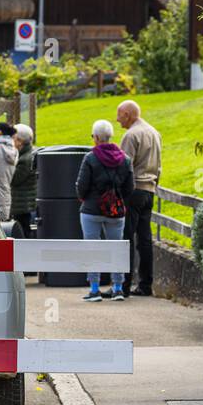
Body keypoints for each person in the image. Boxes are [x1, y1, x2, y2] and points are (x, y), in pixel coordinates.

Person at [76, 119, 134, 302]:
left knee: (92, 249)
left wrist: (84, 198)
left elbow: (82, 186)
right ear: (109, 137)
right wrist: (117, 199)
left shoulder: (90, 158)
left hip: (91, 211)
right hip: (116, 212)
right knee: (116, 248)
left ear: (96, 138)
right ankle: (117, 288)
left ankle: (94, 289)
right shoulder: (125, 159)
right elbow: (129, 188)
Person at [116, 99, 161, 298]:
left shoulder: (131, 135)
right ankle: (145, 284)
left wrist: (118, 191)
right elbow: (159, 164)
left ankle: (123, 285)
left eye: (120, 116)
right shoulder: (154, 132)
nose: (118, 121)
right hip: (149, 189)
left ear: (127, 114)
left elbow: (124, 167)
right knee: (145, 239)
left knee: (127, 238)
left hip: (133, 190)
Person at [8, 123, 38, 238]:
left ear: (19, 141)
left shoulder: (25, 159)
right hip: (25, 203)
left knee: (24, 233)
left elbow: (15, 180)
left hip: (23, 204)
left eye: (13, 138)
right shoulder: (29, 153)